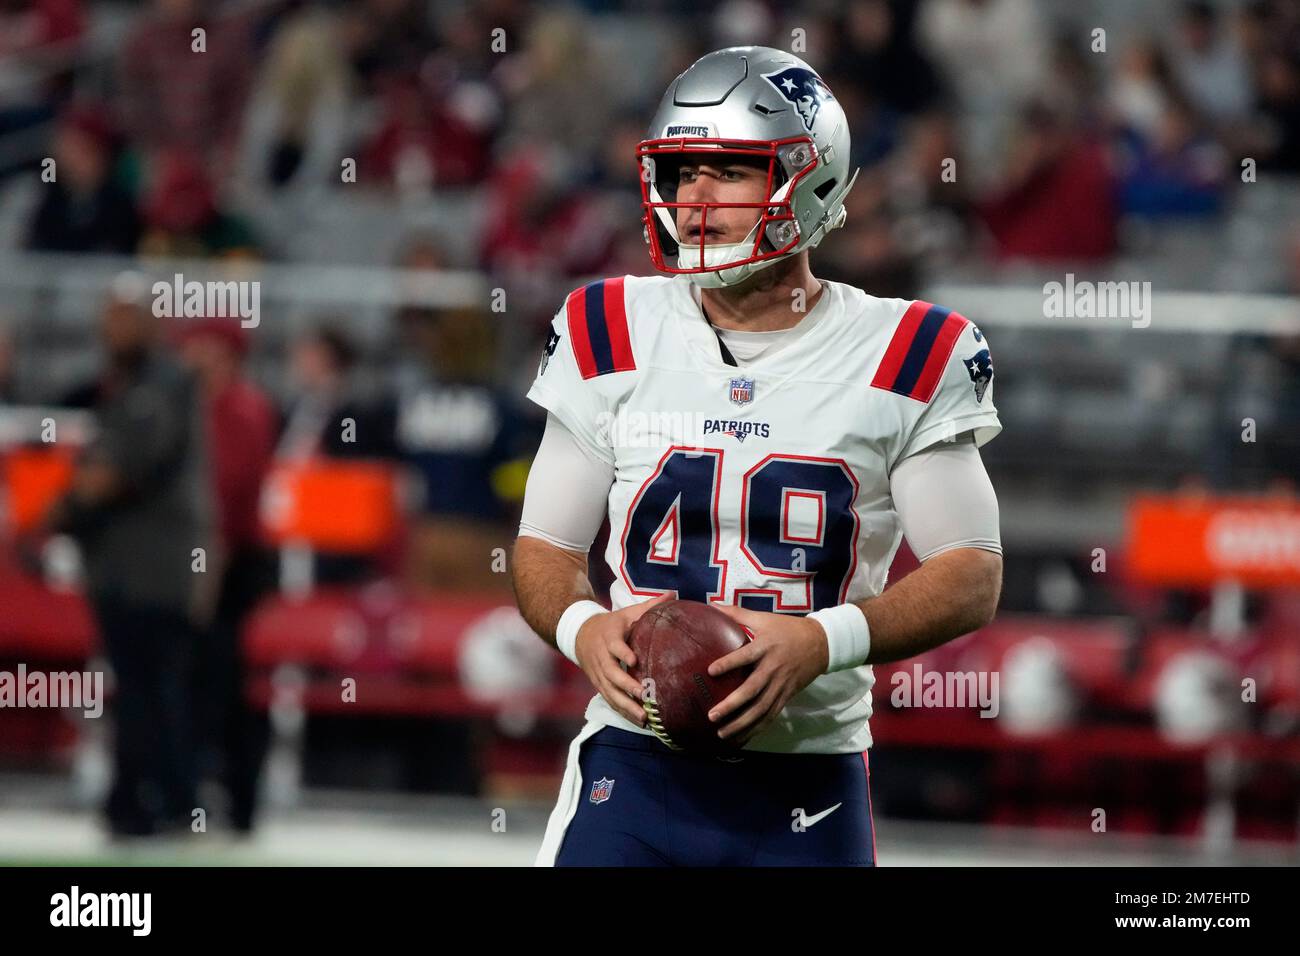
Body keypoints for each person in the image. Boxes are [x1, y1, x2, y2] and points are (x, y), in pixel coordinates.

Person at [512, 47, 1003, 866]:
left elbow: (969, 572)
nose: (696, 200)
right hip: (634, 768)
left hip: (806, 781)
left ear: (810, 182)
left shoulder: (909, 350)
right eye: (682, 172)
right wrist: (582, 626)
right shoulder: (611, 325)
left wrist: (819, 642)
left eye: (729, 172)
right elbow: (544, 549)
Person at [44, 274, 213, 837]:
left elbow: (116, 470)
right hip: (128, 567)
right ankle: (143, 800)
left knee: (151, 690)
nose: (109, 329)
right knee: (142, 689)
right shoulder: (132, 384)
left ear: (148, 321)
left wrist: (57, 515)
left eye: (122, 317)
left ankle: (159, 803)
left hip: (153, 569)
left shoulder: (157, 386)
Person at [176, 317, 277, 833]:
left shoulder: (240, 409)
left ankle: (234, 801)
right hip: (196, 558)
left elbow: (227, 494)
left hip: (232, 563)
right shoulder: (195, 407)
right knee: (195, 684)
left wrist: (206, 572)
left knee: (225, 684)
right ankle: (195, 793)